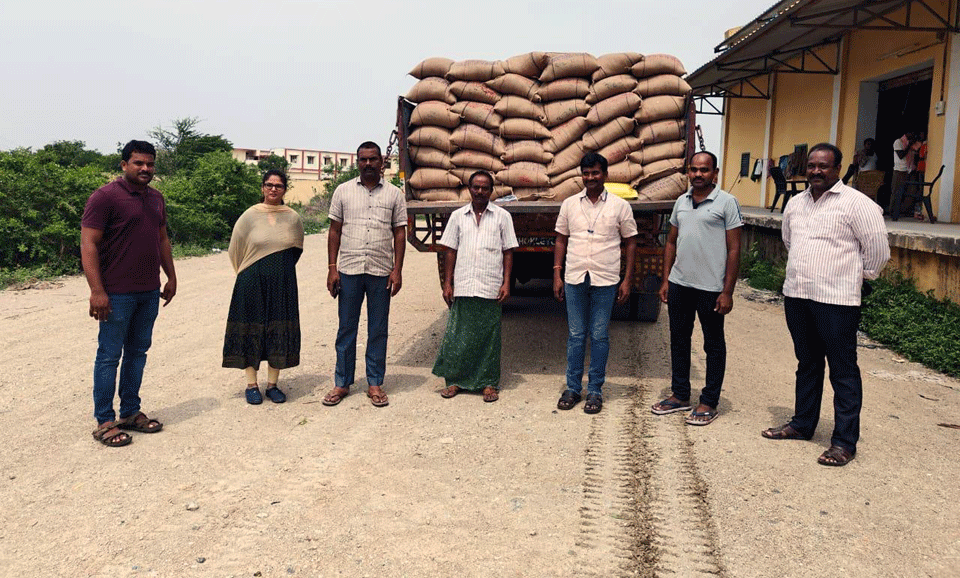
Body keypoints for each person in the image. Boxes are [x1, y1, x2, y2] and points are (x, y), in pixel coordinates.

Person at [761, 143, 889, 467]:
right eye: (812, 166)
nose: (817, 171)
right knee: (807, 363)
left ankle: (844, 443)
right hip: (799, 296)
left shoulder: (857, 204)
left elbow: (878, 252)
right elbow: (790, 241)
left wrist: (858, 276)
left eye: (824, 166)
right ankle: (803, 425)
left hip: (838, 301)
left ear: (838, 168)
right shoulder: (795, 204)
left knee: (843, 371)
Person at [81, 140, 176, 447]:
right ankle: (104, 420)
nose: (145, 169)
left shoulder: (156, 198)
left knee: (137, 353)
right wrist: (97, 291)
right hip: (116, 293)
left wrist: (171, 276)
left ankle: (130, 412)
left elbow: (162, 239)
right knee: (109, 356)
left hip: (148, 291)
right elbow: (89, 244)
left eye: (150, 164)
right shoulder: (105, 197)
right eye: (138, 163)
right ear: (124, 165)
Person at [651, 151, 742, 426]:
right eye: (693, 170)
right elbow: (670, 242)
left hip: (711, 287)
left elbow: (735, 249)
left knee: (713, 344)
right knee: (679, 340)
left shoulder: (727, 203)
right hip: (680, 284)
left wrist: (727, 291)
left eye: (704, 170)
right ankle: (680, 395)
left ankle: (708, 401)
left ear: (715, 173)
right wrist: (667, 279)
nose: (698, 174)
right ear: (688, 172)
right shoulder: (681, 201)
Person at [554, 152, 638, 414]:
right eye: (586, 173)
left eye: (595, 173)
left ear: (605, 175)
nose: (590, 178)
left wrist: (627, 278)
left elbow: (631, 242)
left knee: (600, 335)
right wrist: (557, 272)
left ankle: (596, 390)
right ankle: (573, 388)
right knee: (576, 336)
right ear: (582, 175)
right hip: (575, 275)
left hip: (605, 277)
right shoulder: (569, 204)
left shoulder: (620, 206)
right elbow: (560, 240)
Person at [324, 142, 406, 408]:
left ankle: (374, 382)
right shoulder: (343, 191)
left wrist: (397, 270)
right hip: (348, 269)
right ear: (356, 162)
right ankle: (342, 382)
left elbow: (399, 233)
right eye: (363, 160)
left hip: (380, 271)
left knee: (378, 329)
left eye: (373, 159)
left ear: (382, 161)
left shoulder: (394, 194)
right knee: (346, 328)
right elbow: (334, 231)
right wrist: (332, 268)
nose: (368, 164)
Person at [433, 171, 518, 402]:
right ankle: (455, 381)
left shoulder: (502, 216)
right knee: (459, 335)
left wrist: (506, 282)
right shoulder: (458, 216)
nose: (480, 192)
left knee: (488, 337)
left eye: (485, 188)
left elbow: (508, 251)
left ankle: (488, 383)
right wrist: (447, 282)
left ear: (491, 191)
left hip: (490, 284)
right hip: (464, 284)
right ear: (469, 189)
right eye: (476, 187)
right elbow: (450, 250)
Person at [222, 170, 304, 405]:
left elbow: (296, 249)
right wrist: (249, 271)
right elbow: (234, 249)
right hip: (251, 280)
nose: (273, 189)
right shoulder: (249, 216)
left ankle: (273, 385)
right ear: (262, 188)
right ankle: (251, 385)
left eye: (278, 186)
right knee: (251, 328)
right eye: (269, 185)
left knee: (278, 327)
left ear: (285, 190)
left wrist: (279, 270)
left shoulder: (293, 217)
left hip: (283, 281)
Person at [890, 132, 921, 220]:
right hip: (899, 170)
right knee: (896, 192)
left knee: (910, 192)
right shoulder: (898, 142)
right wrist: (909, 146)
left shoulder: (911, 142)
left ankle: (904, 211)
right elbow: (901, 155)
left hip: (909, 170)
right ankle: (893, 212)